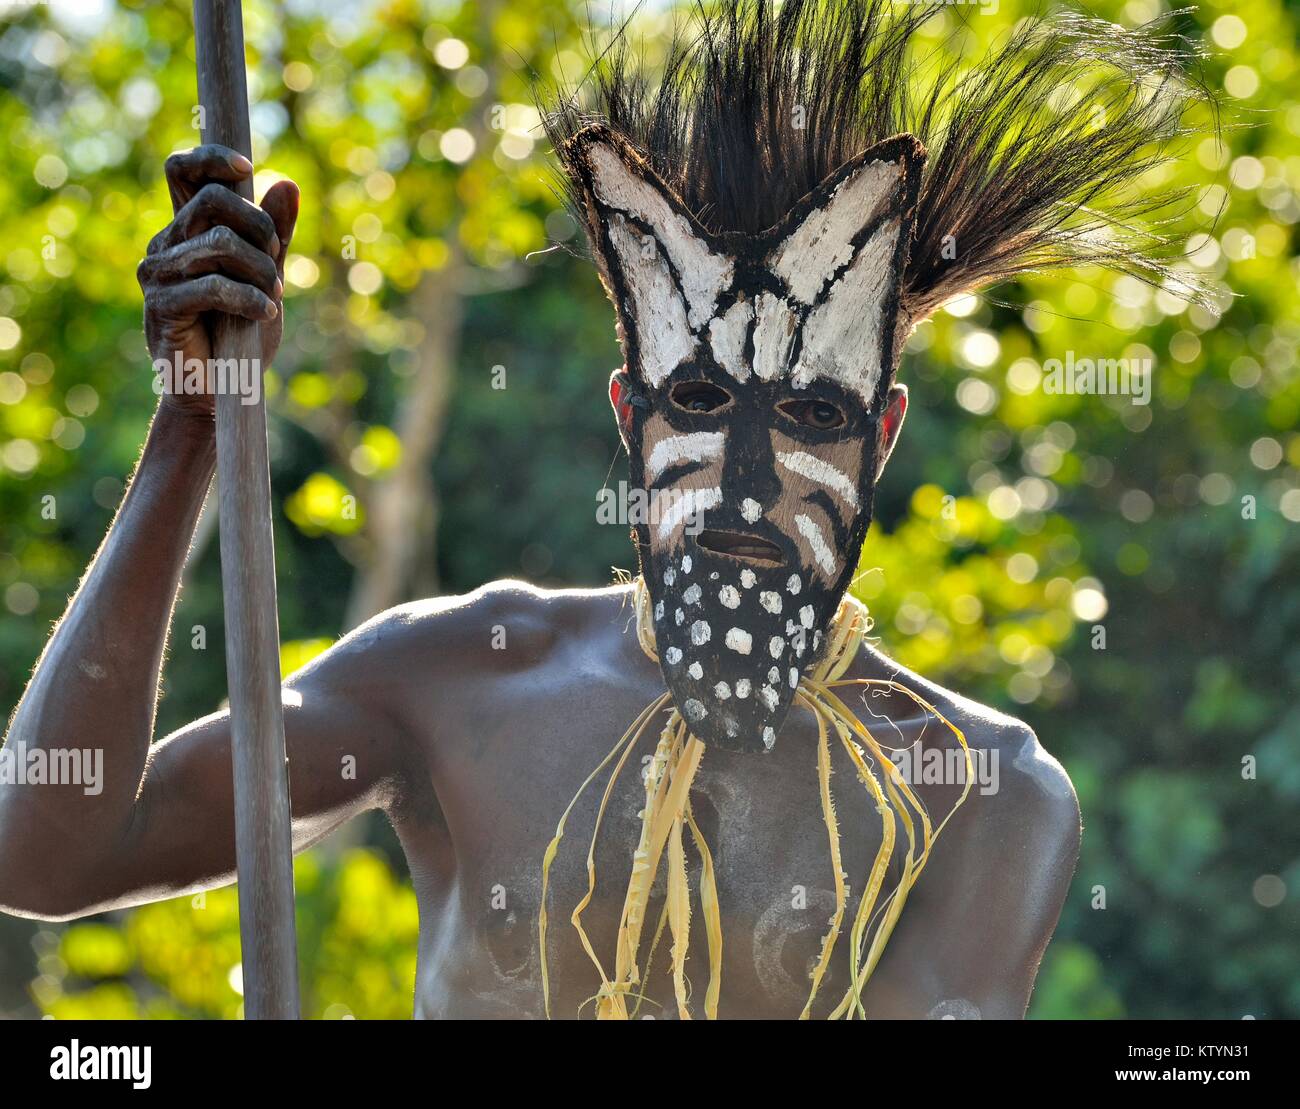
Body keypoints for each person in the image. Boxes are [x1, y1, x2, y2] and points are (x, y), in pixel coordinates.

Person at [0, 1, 1211, 1018]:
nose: (748, 477)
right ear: (632, 413)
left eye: (812, 417)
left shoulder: (980, 790)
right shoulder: (458, 678)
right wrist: (194, 433)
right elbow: (47, 849)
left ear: (880, 431)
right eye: (700, 399)